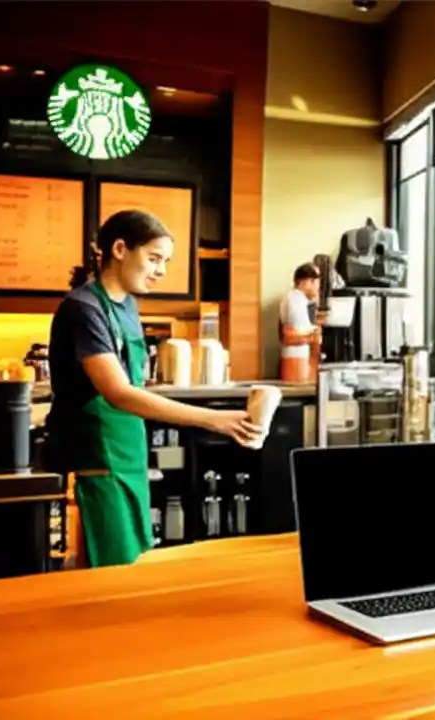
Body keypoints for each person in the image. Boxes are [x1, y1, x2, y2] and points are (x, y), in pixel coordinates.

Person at [46, 210, 260, 567]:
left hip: (128, 451)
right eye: (154, 258)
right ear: (119, 249)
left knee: (133, 560)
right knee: (108, 569)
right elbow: (118, 392)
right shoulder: (82, 308)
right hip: (96, 458)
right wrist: (214, 419)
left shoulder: (127, 305)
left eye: (165, 261)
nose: (161, 271)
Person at [279, 263, 321, 382]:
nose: (317, 286)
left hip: (299, 358)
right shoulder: (294, 301)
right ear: (304, 282)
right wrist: (315, 337)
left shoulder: (299, 300)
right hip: (296, 360)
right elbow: (290, 336)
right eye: (314, 281)